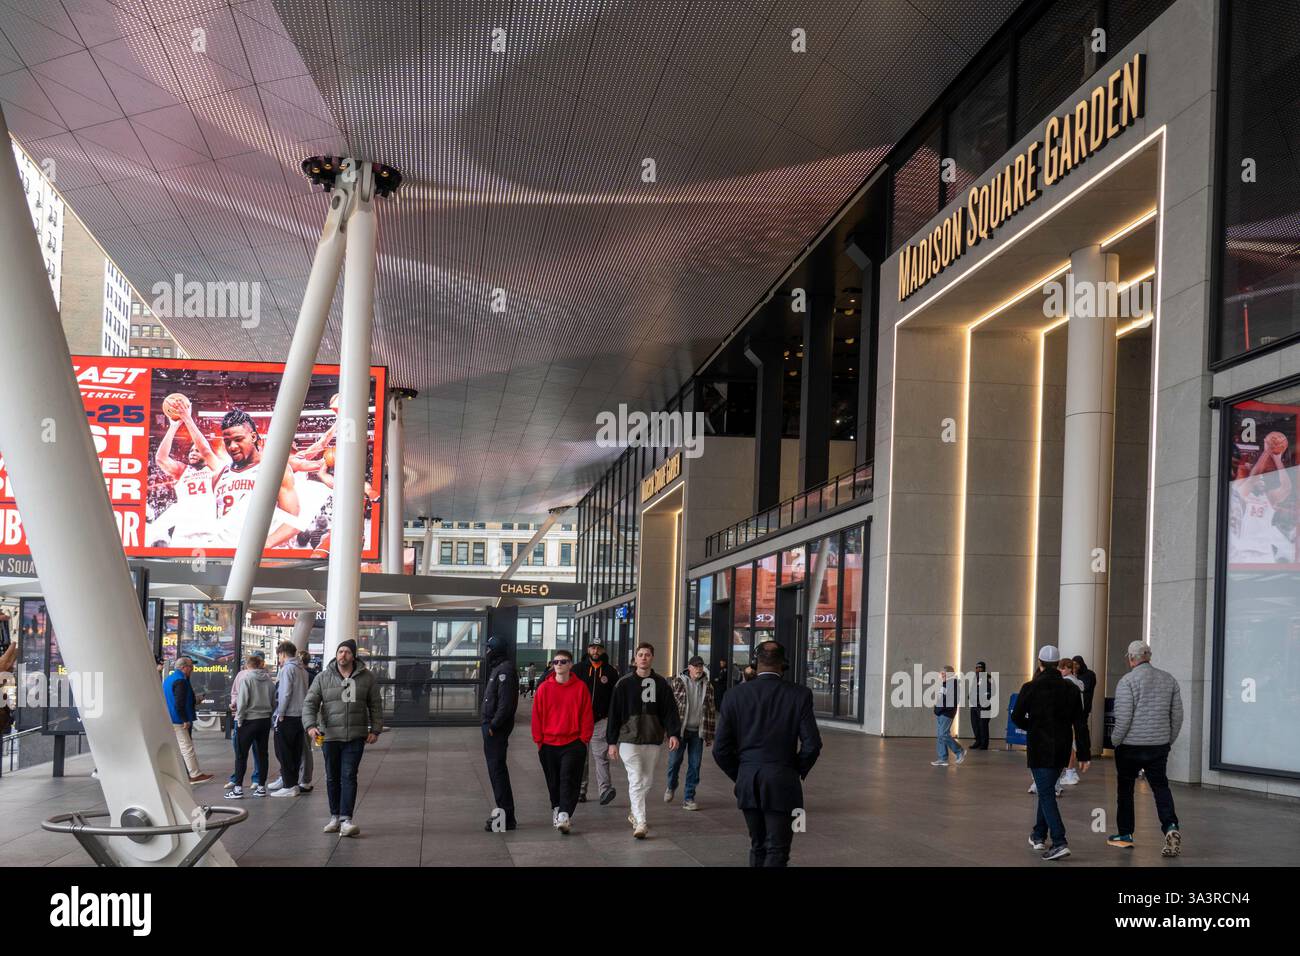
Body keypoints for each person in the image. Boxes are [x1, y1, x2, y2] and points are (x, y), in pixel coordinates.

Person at [713, 640, 821, 867]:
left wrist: (742, 773)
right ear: (784, 664)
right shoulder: (800, 695)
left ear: (754, 663)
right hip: (782, 779)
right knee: (777, 849)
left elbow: (720, 749)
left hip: (748, 780)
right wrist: (793, 770)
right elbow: (812, 744)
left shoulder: (733, 696)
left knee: (758, 845)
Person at [1010, 645, 1091, 861]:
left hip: (1039, 747)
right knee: (1046, 789)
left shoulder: (1030, 688)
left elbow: (1017, 717)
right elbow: (1080, 723)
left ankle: (1059, 841)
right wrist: (1084, 753)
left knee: (1045, 793)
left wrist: (1033, 726)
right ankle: (1038, 835)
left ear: (1039, 663)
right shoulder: (1071, 690)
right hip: (1062, 749)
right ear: (1058, 664)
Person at [1107, 640, 1184, 857]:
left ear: (1131, 658)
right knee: (1161, 788)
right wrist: (1168, 739)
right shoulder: (1168, 679)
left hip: (1130, 747)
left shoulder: (1127, 681)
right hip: (1158, 746)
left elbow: (1123, 718)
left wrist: (1115, 741)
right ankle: (1171, 827)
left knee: (1125, 790)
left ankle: (1125, 834)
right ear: (1148, 656)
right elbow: (1177, 715)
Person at [304, 639, 384, 837]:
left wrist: (375, 729)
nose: (343, 655)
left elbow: (375, 705)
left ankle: (346, 820)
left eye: (347, 652)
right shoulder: (323, 678)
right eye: (340, 651)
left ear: (353, 655)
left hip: (355, 736)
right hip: (329, 737)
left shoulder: (367, 678)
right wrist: (311, 726)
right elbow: (310, 703)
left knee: (348, 776)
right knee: (332, 777)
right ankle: (334, 817)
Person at [606, 642, 680, 839]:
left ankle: (635, 812)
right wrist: (611, 742)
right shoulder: (623, 683)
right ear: (635, 658)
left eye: (647, 654)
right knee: (636, 777)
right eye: (640, 654)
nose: (644, 658)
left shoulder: (662, 683)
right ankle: (641, 822)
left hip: (653, 738)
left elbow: (670, 711)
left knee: (647, 781)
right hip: (628, 739)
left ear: (652, 658)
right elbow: (613, 713)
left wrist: (673, 733)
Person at [530, 648, 593, 834]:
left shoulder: (580, 687)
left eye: (563, 661)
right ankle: (557, 807)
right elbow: (537, 716)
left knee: (568, 778)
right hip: (548, 743)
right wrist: (539, 741)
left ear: (570, 665)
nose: (558, 665)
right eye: (556, 662)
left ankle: (565, 813)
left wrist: (583, 740)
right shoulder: (544, 688)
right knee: (553, 780)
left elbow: (587, 715)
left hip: (573, 742)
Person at [666, 655, 716, 810]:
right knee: (674, 762)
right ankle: (671, 785)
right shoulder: (678, 682)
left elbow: (711, 711)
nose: (699, 669)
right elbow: (669, 708)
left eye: (701, 666)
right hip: (680, 731)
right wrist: (669, 731)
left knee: (695, 765)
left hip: (697, 733)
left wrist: (709, 735)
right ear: (689, 667)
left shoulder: (708, 686)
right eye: (696, 666)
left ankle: (689, 798)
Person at [572, 639, 619, 805]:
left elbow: (615, 698)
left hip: (601, 720)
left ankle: (605, 790)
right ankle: (580, 790)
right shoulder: (577, 670)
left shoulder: (611, 672)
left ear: (603, 650)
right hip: (580, 720)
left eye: (599, 648)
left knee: (601, 756)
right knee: (581, 757)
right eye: (592, 647)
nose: (595, 651)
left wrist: (611, 718)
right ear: (588, 649)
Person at [481, 635, 519, 831]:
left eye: (489, 648)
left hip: (496, 730)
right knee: (496, 772)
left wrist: (493, 725)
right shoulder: (499, 669)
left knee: (498, 772)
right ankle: (504, 813)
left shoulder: (504, 670)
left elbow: (506, 705)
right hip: (492, 728)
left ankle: (505, 816)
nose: (486, 652)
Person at [226, 651, 274, 799]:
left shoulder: (246, 679)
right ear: (260, 665)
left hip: (248, 720)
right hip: (264, 720)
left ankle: (238, 788)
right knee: (262, 754)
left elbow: (242, 702)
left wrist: (239, 720)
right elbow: (273, 702)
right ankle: (261, 787)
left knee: (241, 755)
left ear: (248, 665)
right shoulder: (269, 681)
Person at [162, 657, 213, 784]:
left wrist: (195, 700)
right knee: (187, 747)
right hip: (178, 719)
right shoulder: (181, 681)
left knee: (181, 747)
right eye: (191, 666)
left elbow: (175, 700)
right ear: (184, 668)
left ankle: (184, 774)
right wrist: (185, 719)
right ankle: (195, 775)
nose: (193, 669)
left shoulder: (169, 679)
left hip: (170, 717)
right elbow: (179, 703)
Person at [269, 641, 308, 797]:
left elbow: (285, 693)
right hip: (300, 715)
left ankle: (288, 784)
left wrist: (281, 713)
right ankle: (291, 782)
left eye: (279, 655)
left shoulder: (287, 669)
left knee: (283, 751)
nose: (279, 659)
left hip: (288, 715)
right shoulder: (302, 670)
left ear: (283, 654)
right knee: (295, 751)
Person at [1057, 659, 1085, 786]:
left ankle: (1069, 773)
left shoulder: (1067, 682)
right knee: (1072, 745)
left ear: (1069, 669)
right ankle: (1071, 772)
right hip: (1076, 718)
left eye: (1063, 668)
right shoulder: (1077, 681)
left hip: (1069, 719)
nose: (1060, 670)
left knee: (1069, 746)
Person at [931, 665, 966, 766]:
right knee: (940, 736)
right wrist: (936, 709)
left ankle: (959, 751)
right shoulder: (945, 684)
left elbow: (952, 701)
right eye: (941, 673)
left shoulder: (954, 684)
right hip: (940, 712)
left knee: (943, 734)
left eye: (943, 673)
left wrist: (941, 709)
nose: (941, 675)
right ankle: (943, 758)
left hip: (947, 713)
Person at [297, 650, 316, 792]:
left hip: (303, 714)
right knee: (305, 747)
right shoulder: (313, 675)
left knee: (304, 747)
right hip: (309, 714)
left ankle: (305, 779)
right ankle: (304, 778)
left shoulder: (304, 675)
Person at [969, 661, 993, 750]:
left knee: (983, 725)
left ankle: (984, 744)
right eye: (976, 668)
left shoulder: (988, 678)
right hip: (974, 706)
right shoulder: (975, 678)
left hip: (984, 706)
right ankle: (978, 741)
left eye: (980, 668)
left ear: (983, 669)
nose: (977, 669)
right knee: (975, 724)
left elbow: (990, 692)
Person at [1072, 655, 1097, 723]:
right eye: (1073, 664)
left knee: (1082, 728)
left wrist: (1074, 676)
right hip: (1074, 707)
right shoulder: (1074, 674)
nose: (1075, 666)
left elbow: (1084, 688)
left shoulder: (1089, 674)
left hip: (1084, 706)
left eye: (1076, 664)